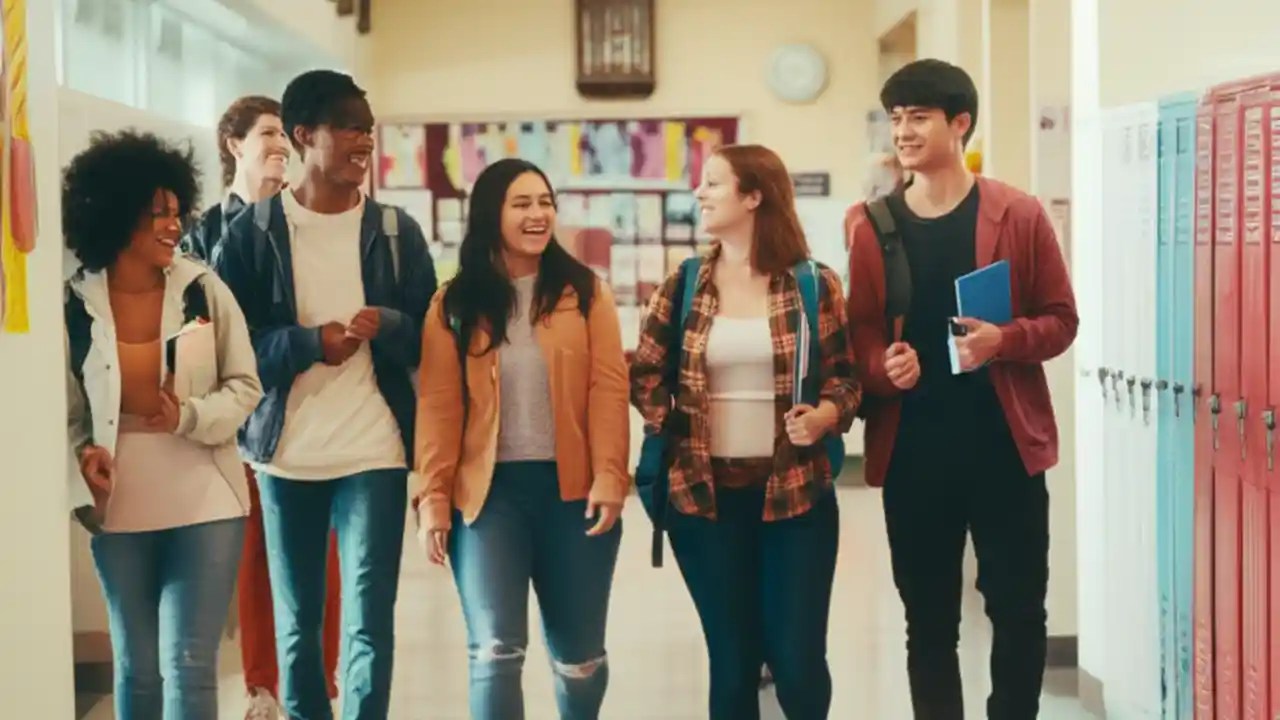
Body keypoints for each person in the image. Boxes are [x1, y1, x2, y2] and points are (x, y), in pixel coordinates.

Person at [844, 59, 1078, 720]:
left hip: (1005, 449)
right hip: (915, 452)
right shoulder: (873, 226)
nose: (905, 132)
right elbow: (858, 330)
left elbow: (1062, 320)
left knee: (1018, 609)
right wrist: (881, 366)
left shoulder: (1018, 214)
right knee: (929, 620)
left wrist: (1002, 340)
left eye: (919, 116)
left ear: (960, 123)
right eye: (896, 119)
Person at [213, 70, 437, 720]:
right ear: (305, 135)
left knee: (369, 621)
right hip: (286, 458)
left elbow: (430, 338)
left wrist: (388, 326)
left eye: (368, 127)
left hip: (376, 451)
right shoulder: (253, 235)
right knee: (299, 622)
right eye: (348, 126)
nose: (364, 140)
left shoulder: (397, 231)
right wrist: (311, 343)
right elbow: (234, 349)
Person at [630, 144, 860, 720]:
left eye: (713, 184)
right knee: (732, 662)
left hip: (796, 497)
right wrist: (676, 425)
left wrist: (825, 416)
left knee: (798, 662)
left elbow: (847, 381)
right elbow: (645, 374)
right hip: (703, 501)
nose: (700, 194)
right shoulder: (684, 284)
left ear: (754, 196)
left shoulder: (812, 285)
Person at [414, 158, 630, 720]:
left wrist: (611, 475)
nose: (538, 215)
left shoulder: (586, 294)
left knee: (579, 660)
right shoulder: (453, 305)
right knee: (494, 650)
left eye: (545, 202)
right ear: (492, 214)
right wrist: (433, 500)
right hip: (489, 499)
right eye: (522, 204)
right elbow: (438, 407)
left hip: (573, 494)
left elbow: (608, 390)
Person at [63, 130, 263, 719]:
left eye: (177, 212)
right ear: (118, 216)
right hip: (120, 499)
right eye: (158, 215)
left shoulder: (203, 289)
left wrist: (191, 415)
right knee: (137, 669)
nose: (174, 226)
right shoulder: (74, 305)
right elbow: (69, 414)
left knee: (190, 665)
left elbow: (246, 386)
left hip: (206, 494)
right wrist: (82, 454)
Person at [183, 94, 345, 720]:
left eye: (287, 136)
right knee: (254, 553)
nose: (283, 145)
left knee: (318, 549)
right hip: (235, 419)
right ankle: (262, 689)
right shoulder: (204, 233)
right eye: (270, 133)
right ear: (234, 144)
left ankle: (319, 682)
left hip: (306, 408)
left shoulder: (304, 219)